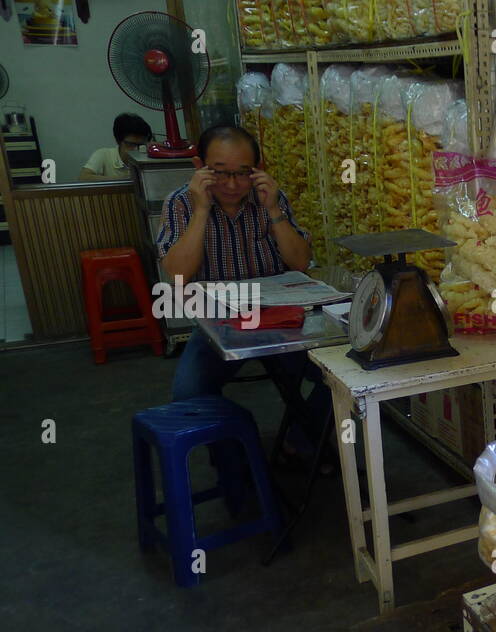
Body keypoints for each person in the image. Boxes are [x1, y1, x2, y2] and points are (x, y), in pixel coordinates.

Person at [158, 124, 329, 496]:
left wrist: (273, 211)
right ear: (199, 165)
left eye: (242, 173)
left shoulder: (269, 197)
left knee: (341, 376)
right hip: (219, 327)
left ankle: (300, 442)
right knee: (188, 395)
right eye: (220, 172)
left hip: (279, 321)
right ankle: (237, 469)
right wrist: (202, 211)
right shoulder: (181, 203)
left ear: (257, 168)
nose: (233, 184)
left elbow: (300, 262)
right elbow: (179, 272)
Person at [80, 113, 153, 182]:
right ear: (118, 141)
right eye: (131, 144)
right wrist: (125, 179)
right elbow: (83, 177)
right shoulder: (104, 154)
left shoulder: (149, 157)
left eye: (141, 145)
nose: (136, 149)